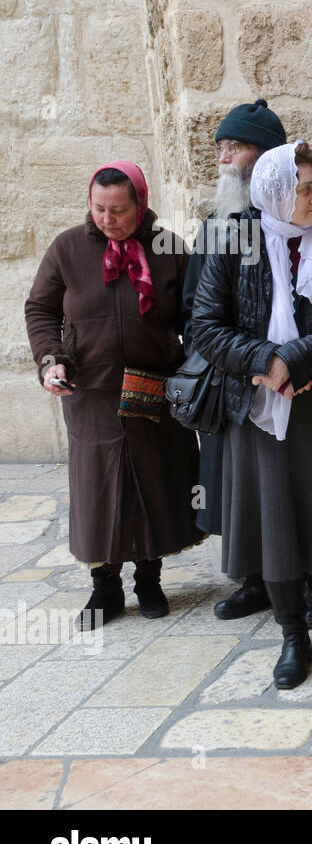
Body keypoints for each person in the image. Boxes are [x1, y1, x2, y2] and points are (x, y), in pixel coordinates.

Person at [189, 141, 312, 692]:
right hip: (257, 409)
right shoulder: (235, 240)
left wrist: (292, 359)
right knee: (273, 523)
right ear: (275, 190)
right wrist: (263, 362)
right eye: (304, 188)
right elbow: (205, 325)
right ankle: (293, 638)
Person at [181, 100, 312, 625]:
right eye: (221, 150)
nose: (224, 161)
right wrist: (257, 362)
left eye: (234, 149)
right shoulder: (223, 229)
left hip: (307, 383)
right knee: (255, 491)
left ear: (265, 158)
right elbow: (200, 313)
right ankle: (261, 580)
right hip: (238, 381)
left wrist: (289, 363)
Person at [26, 161, 201, 629]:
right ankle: (105, 587)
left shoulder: (168, 248)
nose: (108, 219)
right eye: (100, 208)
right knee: (98, 489)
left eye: (119, 210)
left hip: (153, 388)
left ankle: (149, 579)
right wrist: (51, 358)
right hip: (91, 390)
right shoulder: (68, 248)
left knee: (154, 483)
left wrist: (186, 366)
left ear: (140, 205)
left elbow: (197, 316)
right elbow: (41, 309)